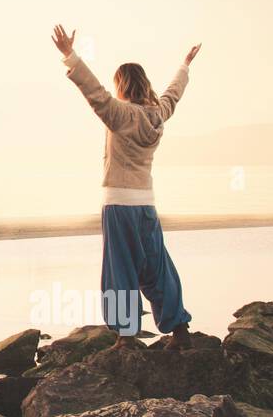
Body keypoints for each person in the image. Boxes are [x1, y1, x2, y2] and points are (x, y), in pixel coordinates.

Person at [51, 25, 202, 351]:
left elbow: (94, 92)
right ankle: (179, 330)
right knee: (157, 266)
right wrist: (185, 65)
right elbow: (172, 94)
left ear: (122, 85)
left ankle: (126, 337)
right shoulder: (158, 115)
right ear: (144, 84)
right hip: (146, 205)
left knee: (121, 267)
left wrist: (70, 55)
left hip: (119, 203)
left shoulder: (119, 114)